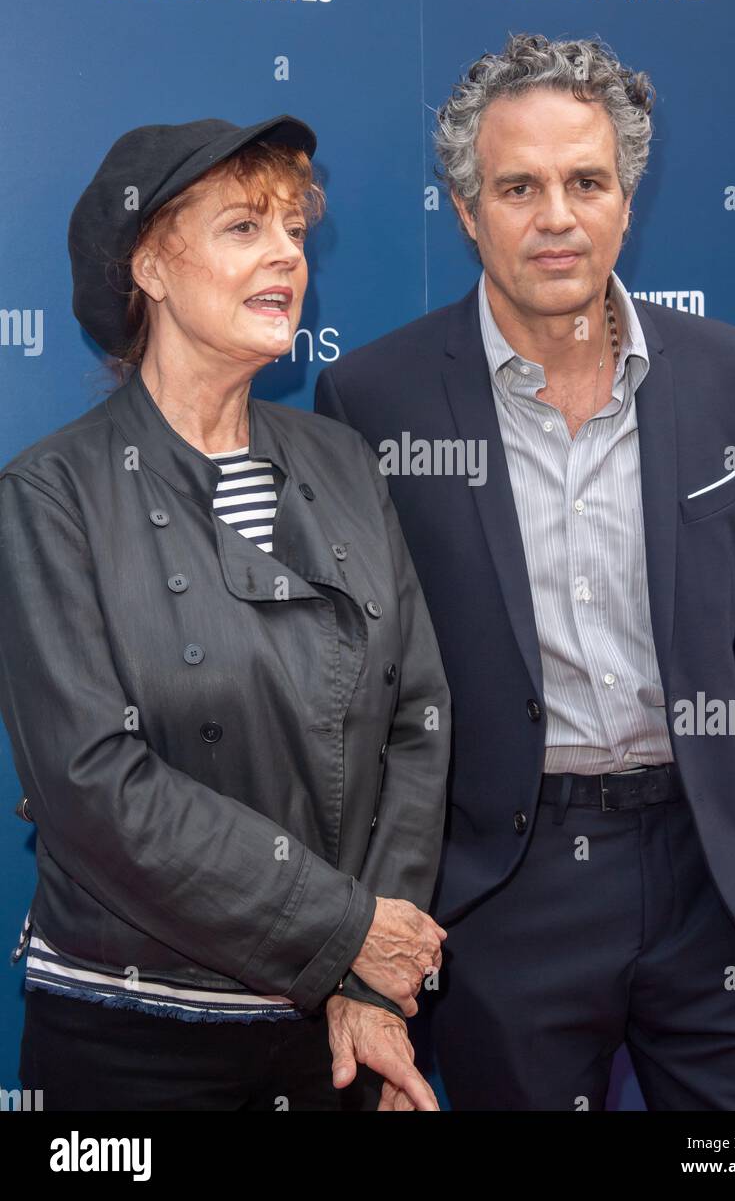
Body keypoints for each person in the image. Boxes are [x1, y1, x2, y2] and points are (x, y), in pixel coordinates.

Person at [315, 34, 735, 1110]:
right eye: (517, 187)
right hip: (502, 894)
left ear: (627, 199)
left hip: (719, 872)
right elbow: (359, 699)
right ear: (467, 211)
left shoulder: (728, 374)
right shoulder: (373, 400)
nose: (555, 216)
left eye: (585, 181)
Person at [0, 113, 450, 1111]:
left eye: (294, 226)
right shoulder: (51, 496)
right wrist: (347, 929)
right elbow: (93, 785)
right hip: (135, 1045)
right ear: (148, 267)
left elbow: (417, 716)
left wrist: (370, 981)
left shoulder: (341, 462)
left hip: (337, 1034)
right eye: (244, 226)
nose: (287, 253)